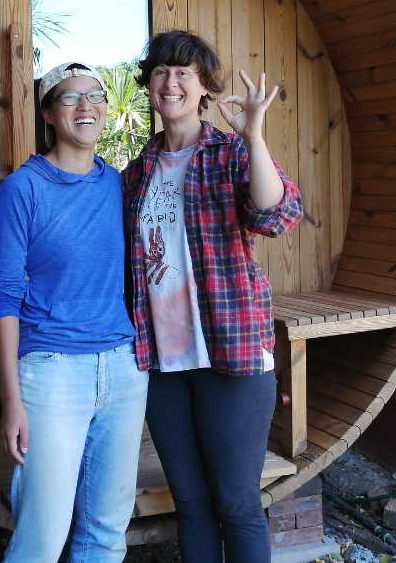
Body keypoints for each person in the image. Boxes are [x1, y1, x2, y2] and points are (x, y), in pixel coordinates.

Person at [122, 31, 304, 563]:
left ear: (204, 87)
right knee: (192, 503)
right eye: (160, 72)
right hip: (163, 362)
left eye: (184, 72)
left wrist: (254, 136)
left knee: (237, 502)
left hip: (232, 354)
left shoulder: (230, 153)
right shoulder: (138, 172)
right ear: (149, 86)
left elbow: (277, 215)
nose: (170, 82)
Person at [0, 62, 148, 563]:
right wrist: (12, 402)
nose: (86, 106)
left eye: (95, 96)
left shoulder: (117, 185)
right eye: (71, 97)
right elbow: (4, 300)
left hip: (123, 368)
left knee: (107, 529)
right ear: (49, 114)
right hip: (52, 372)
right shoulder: (22, 190)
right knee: (43, 534)